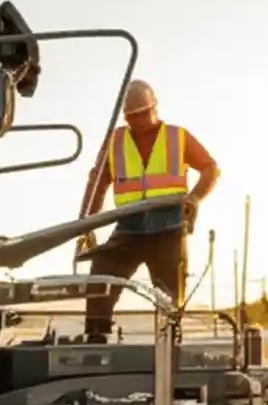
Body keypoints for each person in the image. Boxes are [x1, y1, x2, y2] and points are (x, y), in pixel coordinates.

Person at [77, 80, 221, 341]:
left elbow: (211, 168)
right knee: (101, 276)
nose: (139, 122)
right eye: (132, 117)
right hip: (128, 227)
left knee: (168, 299)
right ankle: (96, 340)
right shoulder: (115, 141)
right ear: (125, 117)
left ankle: (169, 347)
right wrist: (85, 226)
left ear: (155, 108)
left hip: (167, 229)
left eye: (143, 114)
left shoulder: (177, 137)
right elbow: (97, 182)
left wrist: (194, 198)